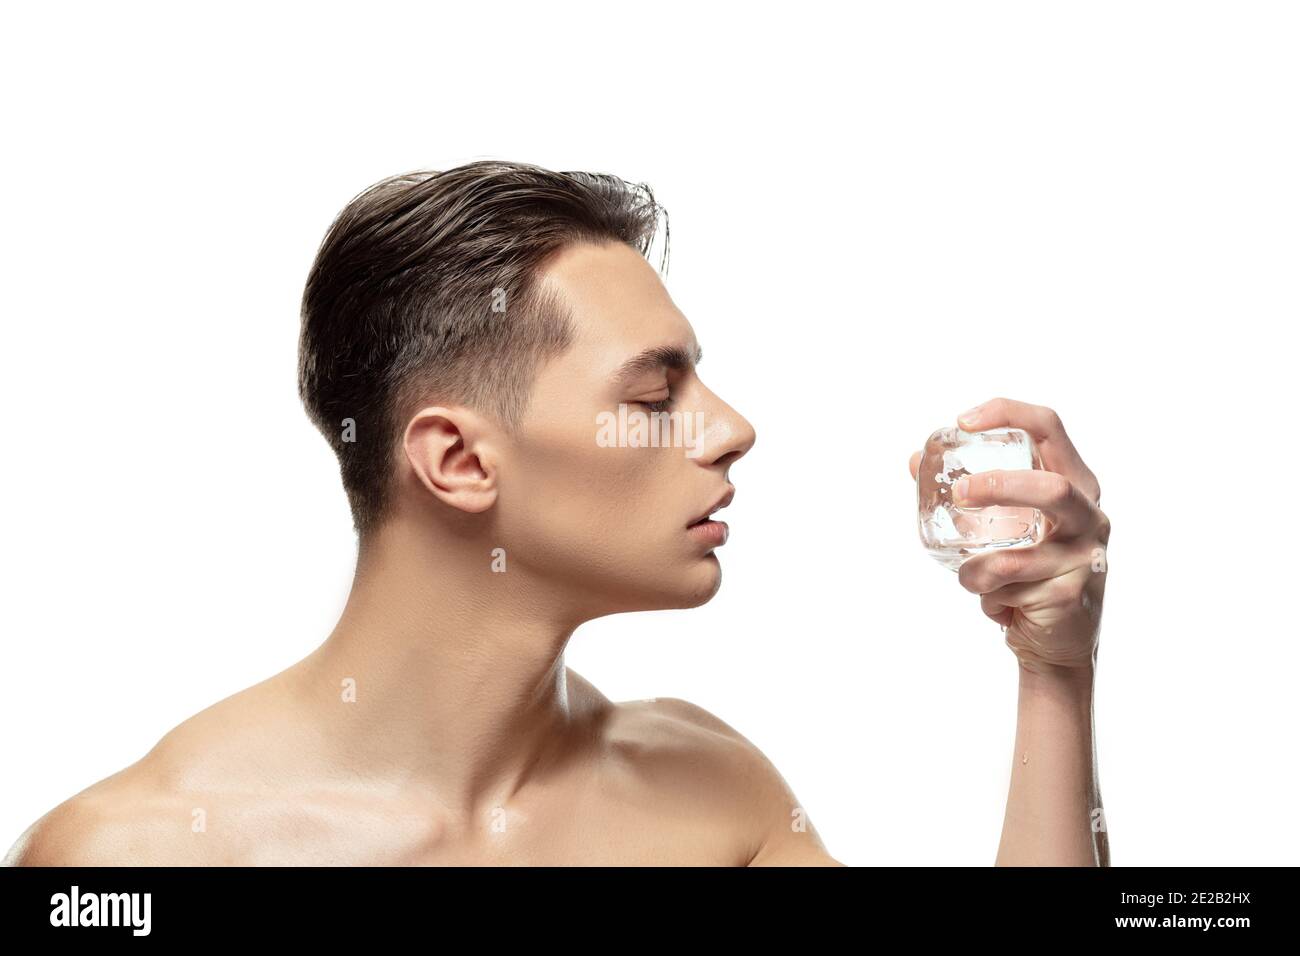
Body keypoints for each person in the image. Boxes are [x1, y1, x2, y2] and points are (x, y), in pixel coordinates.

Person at [4, 161, 1110, 866]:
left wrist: (1052, 671)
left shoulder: (710, 791)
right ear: (456, 460)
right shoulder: (133, 858)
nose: (731, 427)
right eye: (651, 393)